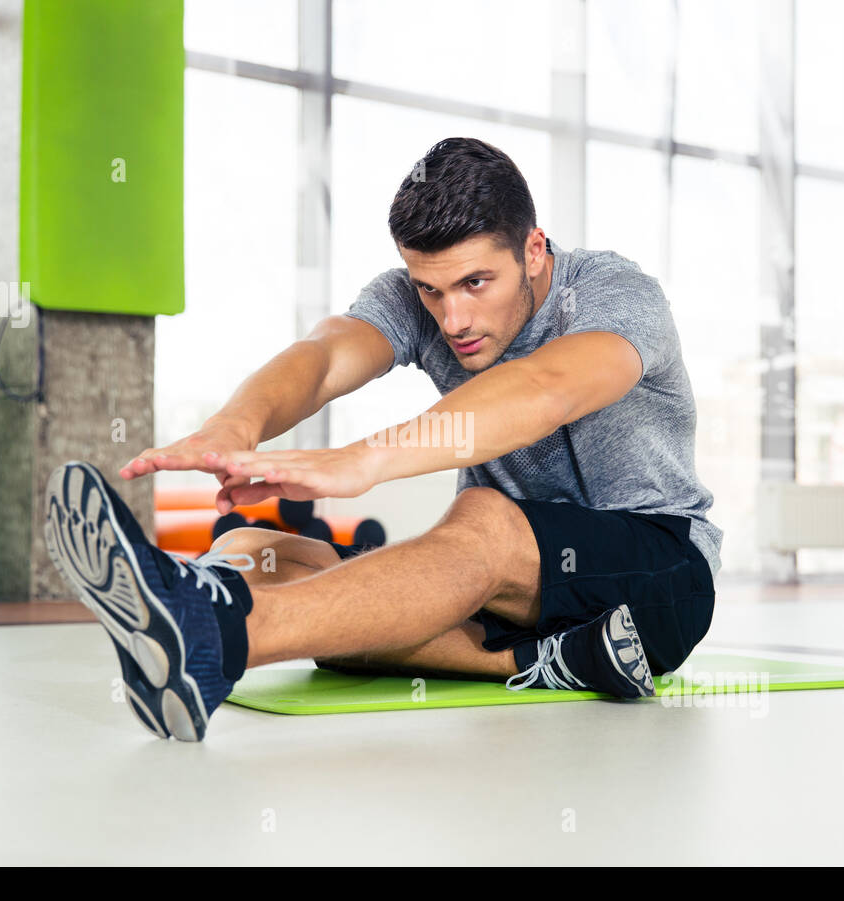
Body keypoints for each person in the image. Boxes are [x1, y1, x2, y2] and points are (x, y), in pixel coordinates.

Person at [43, 137, 722, 742]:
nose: (453, 317)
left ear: (534, 250)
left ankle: (215, 637)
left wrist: (362, 461)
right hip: (518, 600)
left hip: (656, 579)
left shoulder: (613, 293)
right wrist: (235, 425)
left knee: (479, 520)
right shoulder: (415, 297)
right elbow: (325, 355)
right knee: (249, 549)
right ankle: (551, 661)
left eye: (475, 283)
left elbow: (547, 389)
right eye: (431, 290)